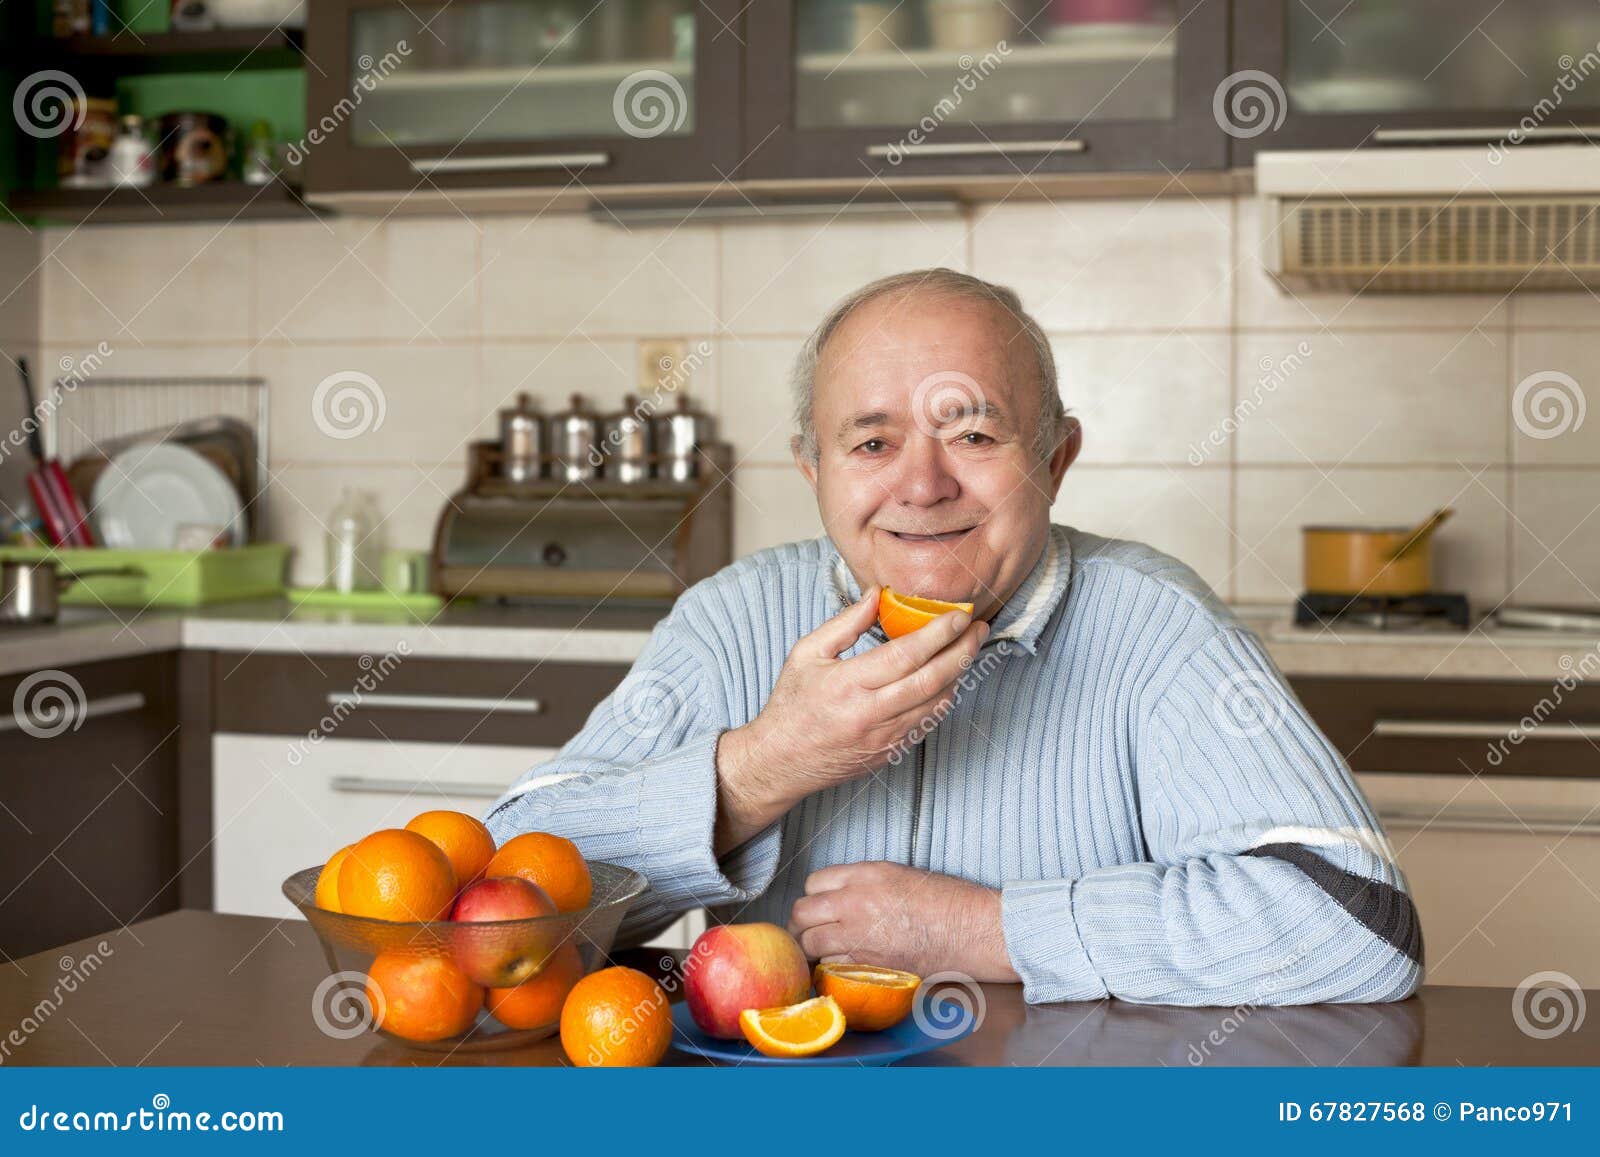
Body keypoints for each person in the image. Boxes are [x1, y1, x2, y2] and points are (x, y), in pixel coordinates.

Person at [486, 268, 1422, 1006]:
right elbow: (490, 914)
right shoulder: (729, 619)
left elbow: (1357, 925)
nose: (923, 486)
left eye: (973, 436)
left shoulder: (1158, 623)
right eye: (871, 443)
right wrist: (765, 766)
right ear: (814, 469)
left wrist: (989, 931)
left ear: (1055, 461)